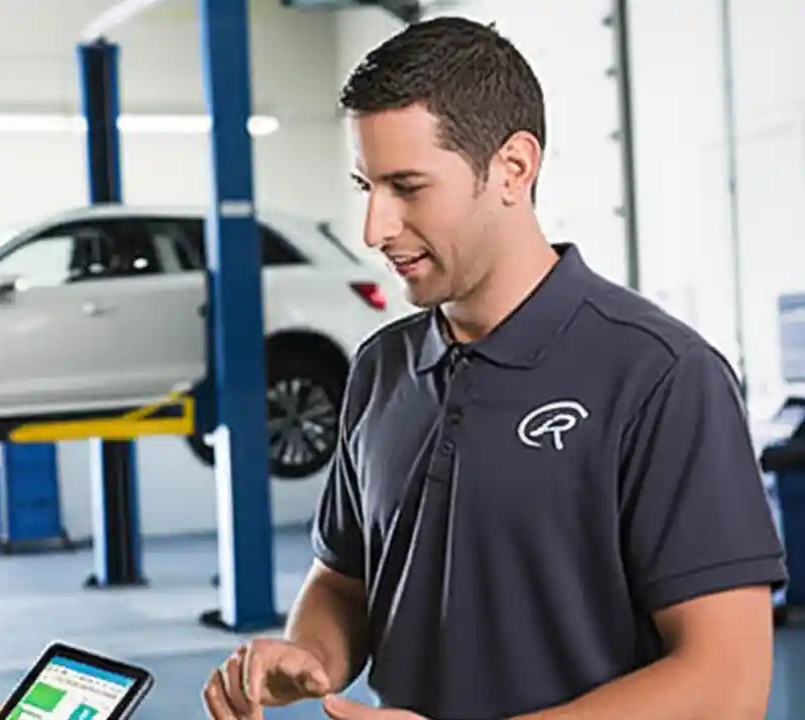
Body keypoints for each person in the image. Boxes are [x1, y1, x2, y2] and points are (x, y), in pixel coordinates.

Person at [203, 16, 786, 720]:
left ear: (513, 168)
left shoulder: (663, 377)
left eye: (407, 187)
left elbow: (727, 684)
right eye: (366, 186)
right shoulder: (381, 369)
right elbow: (345, 581)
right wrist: (312, 656)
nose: (375, 228)